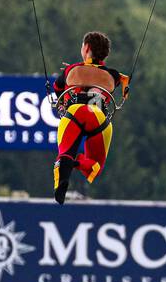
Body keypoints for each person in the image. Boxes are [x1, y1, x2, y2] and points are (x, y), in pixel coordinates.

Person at [49, 31, 130, 203]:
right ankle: (76, 164)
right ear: (105, 54)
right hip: (99, 117)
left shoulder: (72, 69)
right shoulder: (113, 74)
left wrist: (64, 98)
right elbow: (124, 79)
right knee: (95, 166)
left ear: (86, 48)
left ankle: (61, 182)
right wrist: (125, 90)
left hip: (75, 111)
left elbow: (57, 88)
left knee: (64, 153)